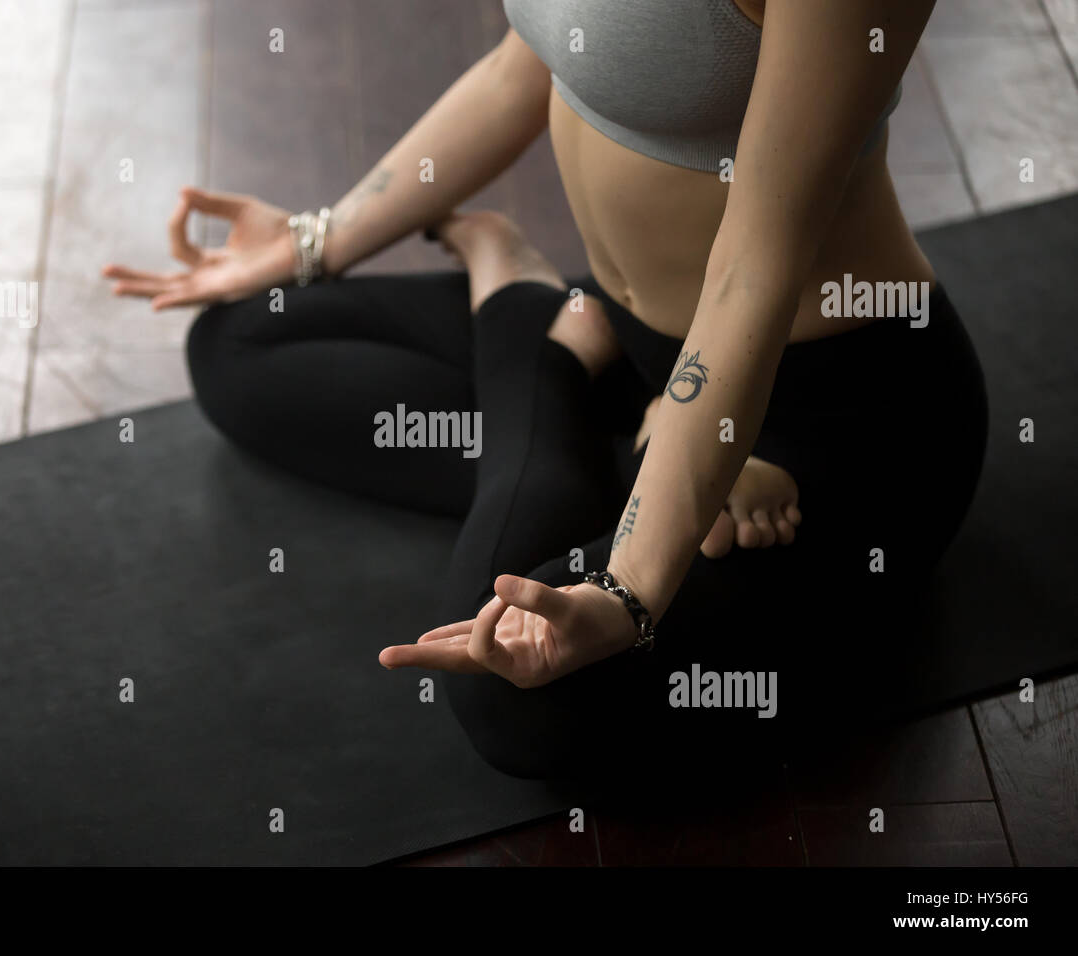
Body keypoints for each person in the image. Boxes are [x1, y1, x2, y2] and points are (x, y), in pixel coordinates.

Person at [102, 0, 988, 779]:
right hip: (640, 348)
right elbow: (521, 67)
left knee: (515, 695)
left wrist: (628, 594)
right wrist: (311, 240)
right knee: (244, 338)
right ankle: (594, 406)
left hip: (831, 413)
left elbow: (753, 270)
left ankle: (551, 367)